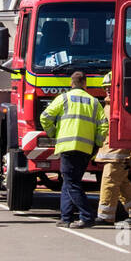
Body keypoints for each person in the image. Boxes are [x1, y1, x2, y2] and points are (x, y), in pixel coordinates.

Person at [39, 71, 108, 228]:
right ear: (85, 84)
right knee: (69, 182)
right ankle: (66, 217)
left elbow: (45, 116)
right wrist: (96, 144)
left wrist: (53, 133)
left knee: (71, 182)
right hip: (85, 149)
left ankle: (87, 216)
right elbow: (104, 125)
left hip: (68, 146)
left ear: (71, 83)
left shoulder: (64, 98)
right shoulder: (94, 102)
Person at [95, 145, 131, 224]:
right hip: (115, 155)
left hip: (116, 156)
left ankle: (106, 217)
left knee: (109, 184)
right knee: (122, 184)